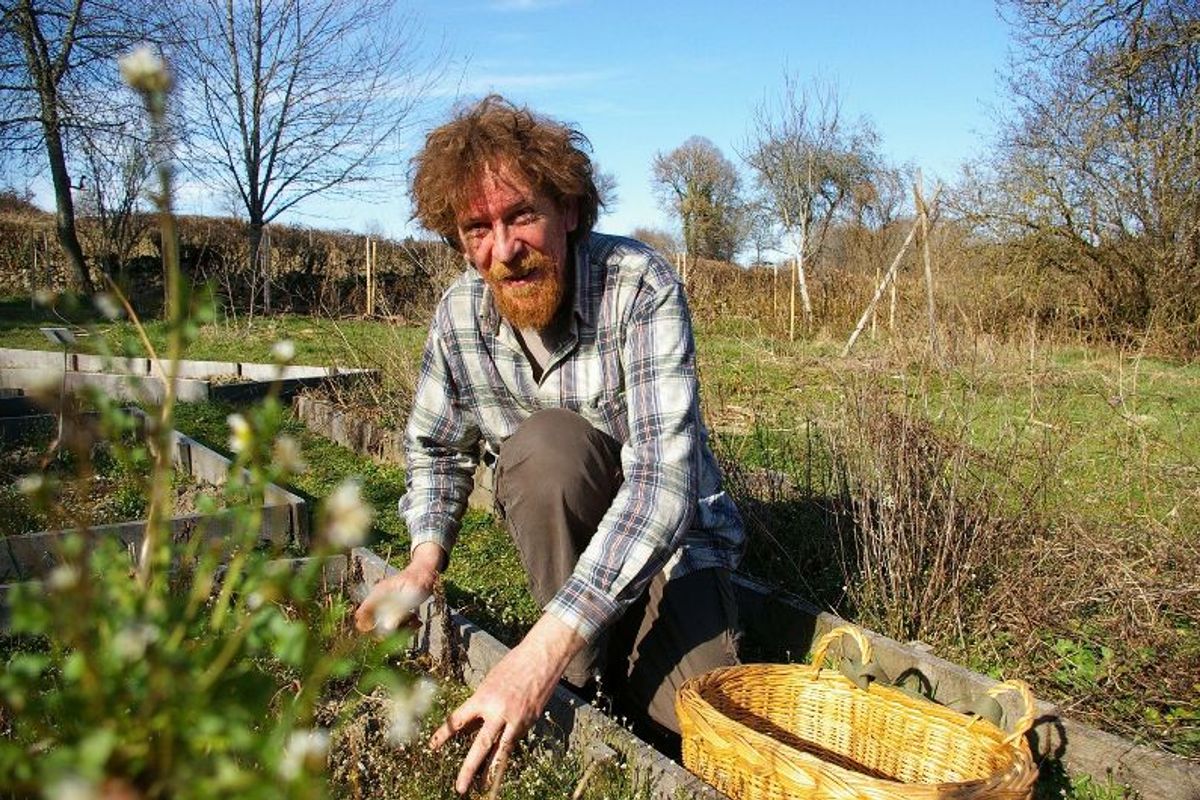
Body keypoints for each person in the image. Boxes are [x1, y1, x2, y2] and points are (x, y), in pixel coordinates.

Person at [354, 95, 744, 794]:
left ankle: (573, 661)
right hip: (572, 548)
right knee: (546, 452)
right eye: (478, 228)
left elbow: (662, 486)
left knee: (701, 717)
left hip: (677, 547)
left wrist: (535, 653)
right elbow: (436, 448)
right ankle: (581, 673)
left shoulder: (637, 288)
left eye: (520, 216)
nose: (503, 251)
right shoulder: (458, 319)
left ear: (567, 209)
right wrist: (421, 564)